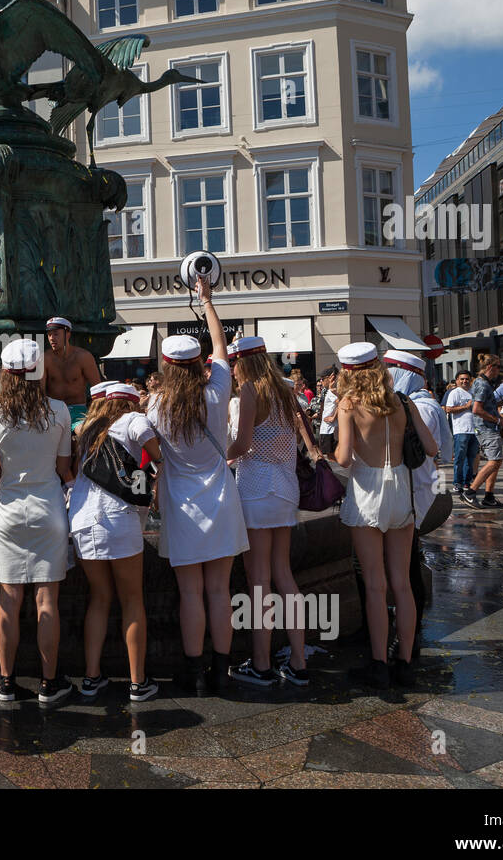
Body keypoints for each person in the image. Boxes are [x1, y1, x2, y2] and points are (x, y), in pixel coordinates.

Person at [146, 279, 249, 696]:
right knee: (220, 591)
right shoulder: (218, 390)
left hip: (180, 503)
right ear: (198, 365)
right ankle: (222, 670)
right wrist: (206, 300)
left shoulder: (155, 405)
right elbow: (221, 348)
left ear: (166, 367)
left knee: (190, 593)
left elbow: (151, 453)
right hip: (221, 498)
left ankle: (195, 673)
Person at [0, 338, 74, 705]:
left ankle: (6, 681)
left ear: (4, 373)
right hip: (49, 509)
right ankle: (50, 684)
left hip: (10, 513)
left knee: (9, 599)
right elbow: (63, 469)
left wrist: (2, 495)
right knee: (47, 600)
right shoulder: (59, 411)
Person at [335, 344, 438, 689]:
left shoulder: (348, 404)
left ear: (349, 372)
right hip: (400, 492)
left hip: (368, 492)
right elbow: (431, 449)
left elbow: (345, 458)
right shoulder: (403, 402)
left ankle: (379, 663)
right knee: (403, 583)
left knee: (375, 585)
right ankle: (405, 662)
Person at [226, 336, 323, 687]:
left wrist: (217, 457)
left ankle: (262, 663)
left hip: (256, 489)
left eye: (234, 363)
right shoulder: (285, 390)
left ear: (243, 363)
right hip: (285, 488)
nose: (233, 370)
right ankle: (298, 661)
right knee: (284, 575)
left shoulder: (252, 391)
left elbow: (242, 443)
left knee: (258, 582)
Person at [69, 382, 160, 701]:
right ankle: (138, 682)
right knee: (132, 600)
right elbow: (158, 453)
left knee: (99, 597)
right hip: (117, 517)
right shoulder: (134, 419)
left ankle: (91, 677)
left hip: (82, 520)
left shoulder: (86, 428)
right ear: (132, 404)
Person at [385, 350, 450, 660]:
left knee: (410, 568)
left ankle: (410, 635)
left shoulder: (420, 407)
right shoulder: (421, 403)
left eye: (389, 370)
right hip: (412, 492)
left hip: (413, 492)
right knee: (409, 564)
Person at [463, 354, 503, 509]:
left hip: (486, 427)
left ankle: (489, 496)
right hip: (486, 428)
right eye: (498, 366)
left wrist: (502, 402)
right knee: (495, 461)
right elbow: (477, 409)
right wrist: (499, 420)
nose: (500, 370)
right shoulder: (483, 384)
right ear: (490, 367)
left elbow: (484, 405)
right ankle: (470, 492)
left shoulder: (482, 382)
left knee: (496, 461)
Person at [42, 316, 101, 430]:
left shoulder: (83, 357)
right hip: (53, 412)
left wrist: (96, 413)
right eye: (49, 335)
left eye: (56, 334)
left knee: (83, 432)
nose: (52, 338)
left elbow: (98, 389)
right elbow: (40, 392)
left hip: (78, 411)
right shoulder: (45, 359)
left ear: (67, 334)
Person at [444, 371, 477, 496]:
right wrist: (466, 406)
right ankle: (457, 483)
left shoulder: (473, 392)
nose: (464, 381)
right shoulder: (455, 393)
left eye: (467, 379)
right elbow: (449, 409)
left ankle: (467, 483)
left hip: (474, 430)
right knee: (459, 458)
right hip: (461, 430)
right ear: (457, 380)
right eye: (462, 379)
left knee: (471, 458)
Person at [316, 365, 340, 457]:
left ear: (331, 377)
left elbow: (340, 402)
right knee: (329, 457)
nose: (321, 381)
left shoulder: (333, 390)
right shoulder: (329, 390)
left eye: (322, 378)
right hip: (327, 428)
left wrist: (333, 417)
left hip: (329, 429)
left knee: (331, 457)